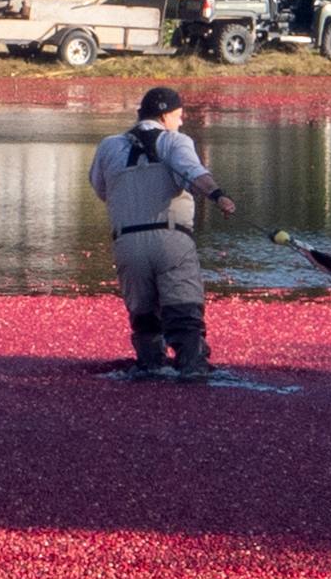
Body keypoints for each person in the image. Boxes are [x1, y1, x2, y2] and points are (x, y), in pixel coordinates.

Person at [87, 83, 230, 379]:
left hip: (127, 241)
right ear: (166, 117)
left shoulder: (109, 146)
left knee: (143, 316)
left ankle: (151, 366)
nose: (181, 122)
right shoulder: (175, 142)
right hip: (171, 239)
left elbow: (103, 190)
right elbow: (194, 174)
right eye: (179, 116)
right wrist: (219, 196)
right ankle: (192, 370)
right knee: (184, 312)